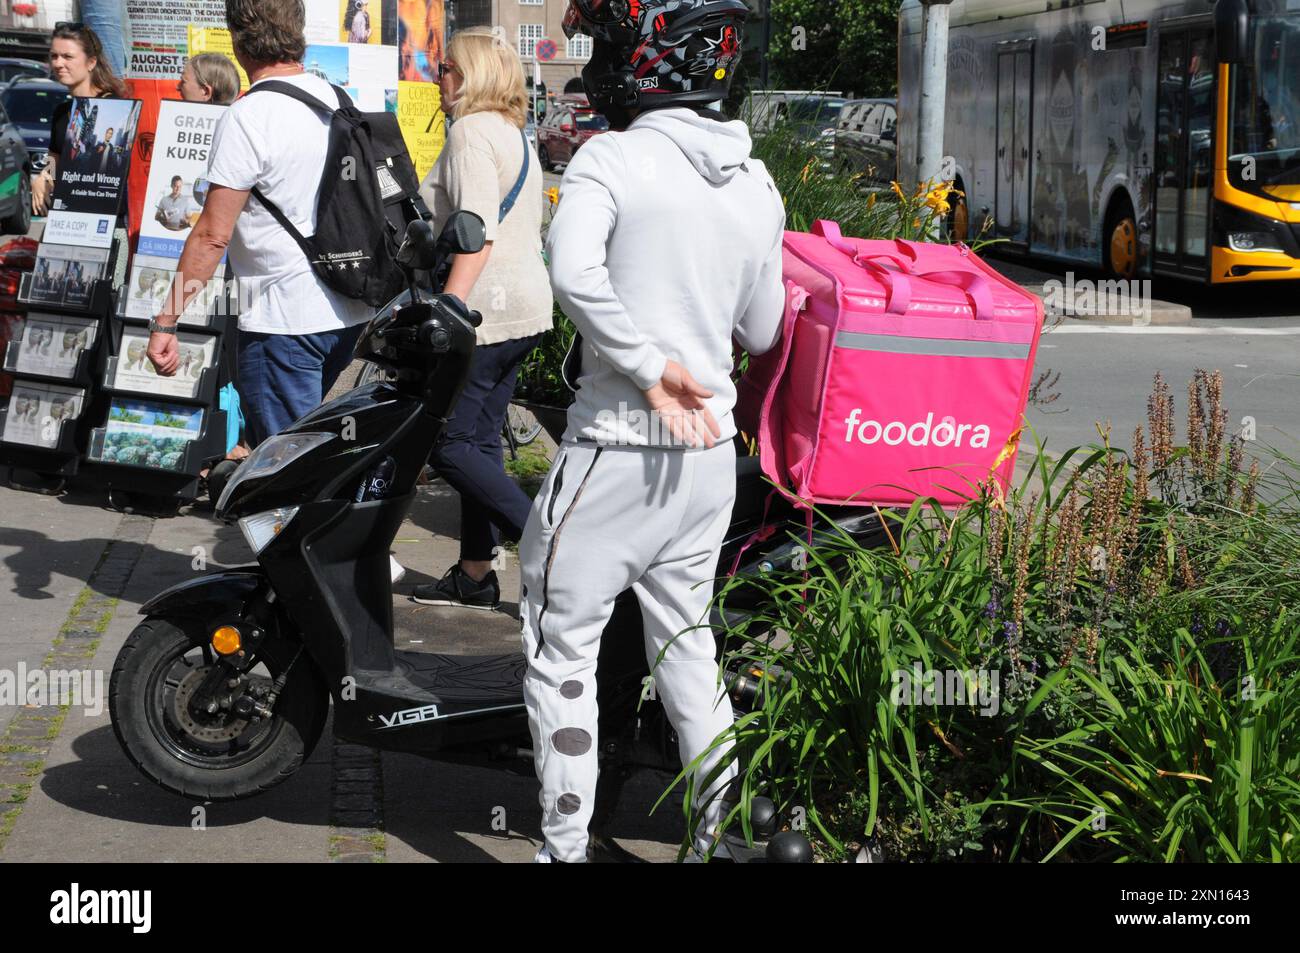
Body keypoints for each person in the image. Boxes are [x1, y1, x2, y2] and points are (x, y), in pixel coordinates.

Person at [519, 0, 785, 863]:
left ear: (653, 55)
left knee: (561, 650)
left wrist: (640, 359)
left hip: (614, 454)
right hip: (707, 457)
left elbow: (570, 267)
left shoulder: (615, 158)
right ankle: (712, 840)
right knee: (688, 647)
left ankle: (563, 850)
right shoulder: (756, 181)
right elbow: (767, 328)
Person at [145, 0, 372, 450]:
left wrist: (166, 320)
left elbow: (212, 235)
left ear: (238, 37)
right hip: (345, 309)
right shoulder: (339, 100)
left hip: (282, 320)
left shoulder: (249, 116)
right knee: (307, 450)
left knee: (288, 463)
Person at [411, 27, 552, 609]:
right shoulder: (513, 133)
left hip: (482, 313)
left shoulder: (470, 132)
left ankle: (555, 548)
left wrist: (447, 311)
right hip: (526, 309)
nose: (436, 77)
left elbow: (474, 232)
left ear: (468, 76)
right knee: (482, 444)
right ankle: (475, 576)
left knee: (448, 447)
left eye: (444, 68)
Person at [32, 23, 128, 215]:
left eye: (67, 56)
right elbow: (54, 163)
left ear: (91, 62)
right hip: (67, 217)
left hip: (105, 220)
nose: (58, 64)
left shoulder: (116, 108)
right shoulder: (62, 112)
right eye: (54, 56)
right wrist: (42, 177)